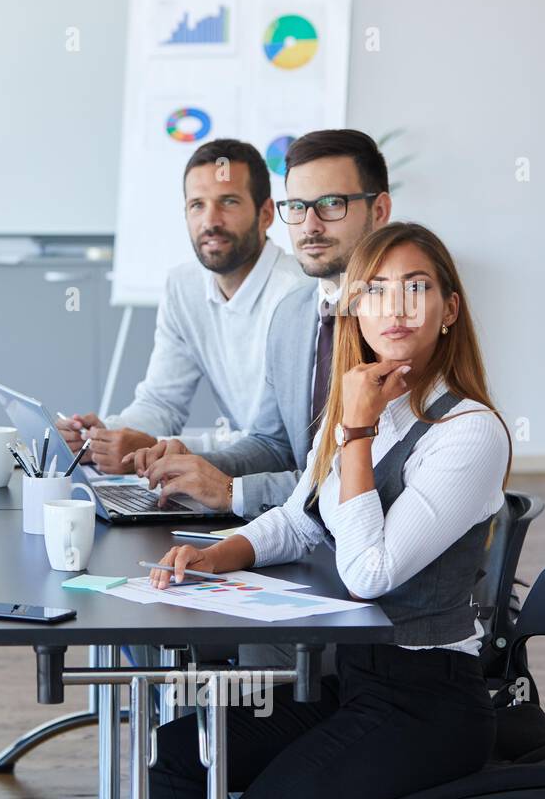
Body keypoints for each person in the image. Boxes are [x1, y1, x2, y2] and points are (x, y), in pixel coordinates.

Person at [145, 222, 510, 799]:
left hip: (427, 701)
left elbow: (371, 569)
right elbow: (299, 514)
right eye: (375, 290)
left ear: (449, 309)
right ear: (354, 309)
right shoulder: (357, 402)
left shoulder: (469, 433)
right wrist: (217, 553)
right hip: (348, 679)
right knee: (171, 755)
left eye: (416, 287)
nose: (395, 308)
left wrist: (360, 436)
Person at [130, 130, 393, 517]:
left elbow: (372, 481)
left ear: (380, 211)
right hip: (296, 538)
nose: (311, 225)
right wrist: (196, 464)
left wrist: (232, 491)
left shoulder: (402, 321)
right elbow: (274, 446)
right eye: (299, 207)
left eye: (332, 204)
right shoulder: (292, 314)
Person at [56, 138, 309, 473]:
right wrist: (105, 436)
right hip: (232, 475)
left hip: (277, 486)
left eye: (228, 202)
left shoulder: (298, 295)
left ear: (265, 214)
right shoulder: (183, 286)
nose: (211, 221)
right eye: (197, 205)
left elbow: (275, 444)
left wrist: (158, 450)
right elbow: (162, 402)